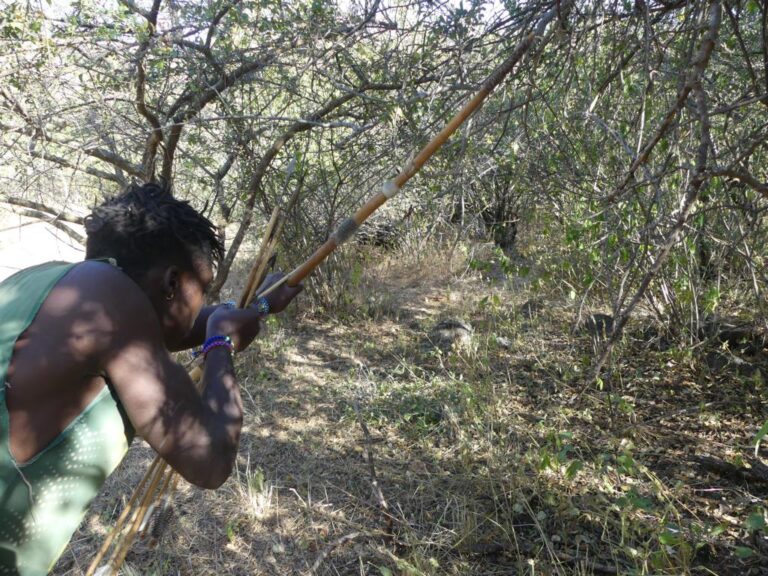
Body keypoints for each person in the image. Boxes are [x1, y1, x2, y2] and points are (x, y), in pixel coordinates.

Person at [0, 182, 303, 575]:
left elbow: (176, 326)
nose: (202, 302)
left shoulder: (44, 280)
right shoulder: (111, 301)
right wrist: (220, 345)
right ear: (172, 283)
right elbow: (210, 460)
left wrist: (256, 308)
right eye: (203, 288)